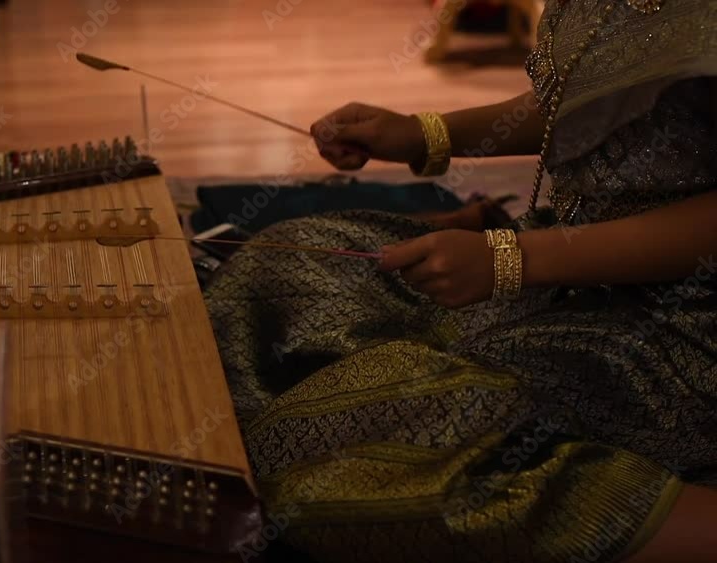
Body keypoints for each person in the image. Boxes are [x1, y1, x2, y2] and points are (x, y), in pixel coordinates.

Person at [203, 0, 717, 560]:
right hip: (573, 265)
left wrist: (514, 259)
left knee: (351, 438)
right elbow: (596, 105)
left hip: (678, 327)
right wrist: (427, 134)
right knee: (285, 268)